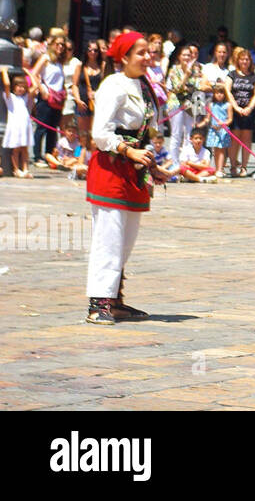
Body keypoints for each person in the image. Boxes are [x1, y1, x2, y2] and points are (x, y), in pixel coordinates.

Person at [84, 31, 166, 325]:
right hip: (112, 168)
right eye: (141, 53)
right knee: (109, 237)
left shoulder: (145, 86)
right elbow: (100, 134)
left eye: (149, 52)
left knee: (127, 238)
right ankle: (98, 303)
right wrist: (128, 152)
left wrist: (155, 164)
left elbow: (149, 130)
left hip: (134, 171)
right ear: (124, 58)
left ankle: (115, 298)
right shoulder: (113, 85)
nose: (148, 57)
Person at [30, 32, 74, 161]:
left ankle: (49, 155)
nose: (60, 46)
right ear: (52, 44)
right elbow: (34, 73)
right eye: (58, 44)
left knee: (52, 128)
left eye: (62, 44)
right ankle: (37, 156)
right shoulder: (46, 58)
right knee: (42, 127)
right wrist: (42, 89)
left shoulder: (60, 61)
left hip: (58, 98)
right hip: (46, 97)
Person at [164, 44, 201, 167]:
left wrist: (185, 87)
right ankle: (174, 162)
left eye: (189, 55)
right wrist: (185, 77)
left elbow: (196, 87)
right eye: (184, 55)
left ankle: (186, 161)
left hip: (190, 103)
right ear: (179, 56)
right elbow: (176, 87)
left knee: (189, 133)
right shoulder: (174, 70)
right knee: (176, 134)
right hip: (176, 104)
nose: (186, 57)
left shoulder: (195, 70)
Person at [228, 47, 255, 178]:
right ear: (238, 60)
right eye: (242, 59)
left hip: (248, 112)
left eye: (247, 59)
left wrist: (249, 108)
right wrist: (236, 107)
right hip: (235, 111)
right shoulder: (232, 74)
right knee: (235, 139)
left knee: (246, 139)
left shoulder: (254, 76)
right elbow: (228, 91)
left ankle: (244, 167)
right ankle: (233, 166)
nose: (245, 61)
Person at [1, 68, 34, 177]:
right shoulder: (10, 98)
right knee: (16, 149)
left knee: (25, 149)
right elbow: (6, 84)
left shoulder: (24, 98)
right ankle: (16, 170)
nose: (21, 89)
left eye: (23, 87)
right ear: (14, 87)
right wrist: (4, 72)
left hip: (25, 126)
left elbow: (36, 86)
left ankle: (25, 169)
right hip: (15, 126)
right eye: (19, 86)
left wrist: (29, 73)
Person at [78, 39, 108, 136]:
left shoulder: (102, 66)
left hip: (97, 103)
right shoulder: (80, 66)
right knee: (82, 135)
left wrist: (98, 92)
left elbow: (106, 83)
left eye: (95, 50)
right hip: (83, 103)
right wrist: (78, 100)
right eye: (90, 50)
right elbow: (74, 84)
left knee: (94, 134)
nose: (92, 52)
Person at [206, 83, 233, 180]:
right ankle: (217, 168)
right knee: (215, 150)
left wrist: (224, 123)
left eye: (221, 93)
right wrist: (200, 123)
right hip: (213, 130)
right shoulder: (211, 105)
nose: (219, 95)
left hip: (223, 130)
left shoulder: (227, 105)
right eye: (217, 93)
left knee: (221, 150)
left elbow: (230, 119)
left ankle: (220, 169)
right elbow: (208, 118)